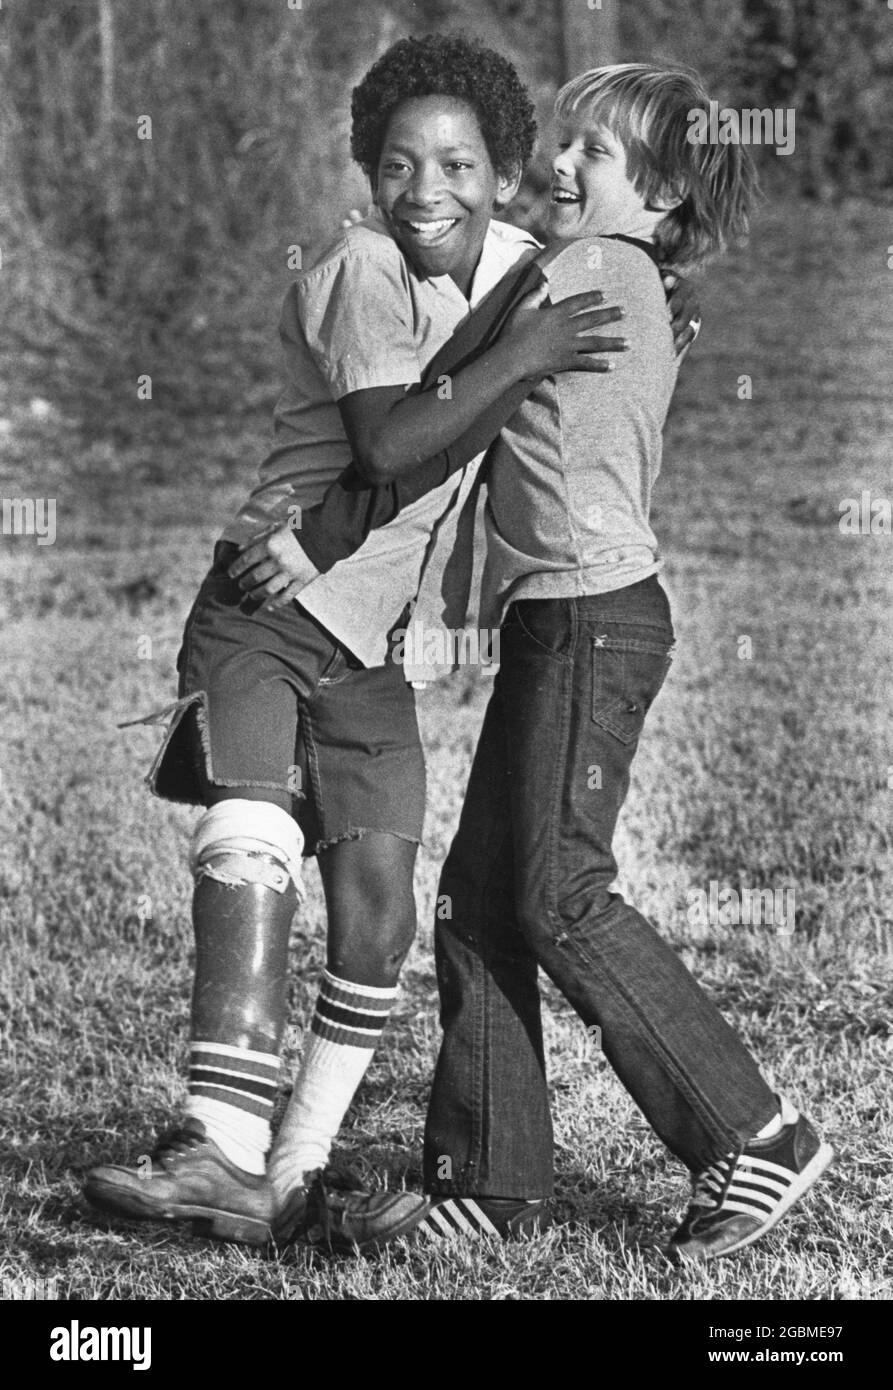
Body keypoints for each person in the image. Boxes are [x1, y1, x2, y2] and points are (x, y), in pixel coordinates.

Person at [83, 35, 651, 1253]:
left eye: (455, 163)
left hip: (368, 645)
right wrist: (529, 353)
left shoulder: (516, 272)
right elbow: (394, 444)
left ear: (502, 175)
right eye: (396, 165)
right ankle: (211, 1145)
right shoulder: (360, 266)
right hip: (263, 608)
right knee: (253, 839)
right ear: (367, 174)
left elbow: (509, 381)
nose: (423, 190)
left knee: (383, 908)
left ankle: (288, 1169)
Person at [277, 64, 833, 1262]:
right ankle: (489, 1177)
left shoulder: (584, 270)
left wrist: (393, 277)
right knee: (478, 900)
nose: (559, 168)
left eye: (595, 154)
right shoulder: (610, 268)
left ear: (663, 192)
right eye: (563, 143)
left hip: (591, 617)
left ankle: (754, 1132)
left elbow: (456, 361)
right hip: (563, 618)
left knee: (556, 894)